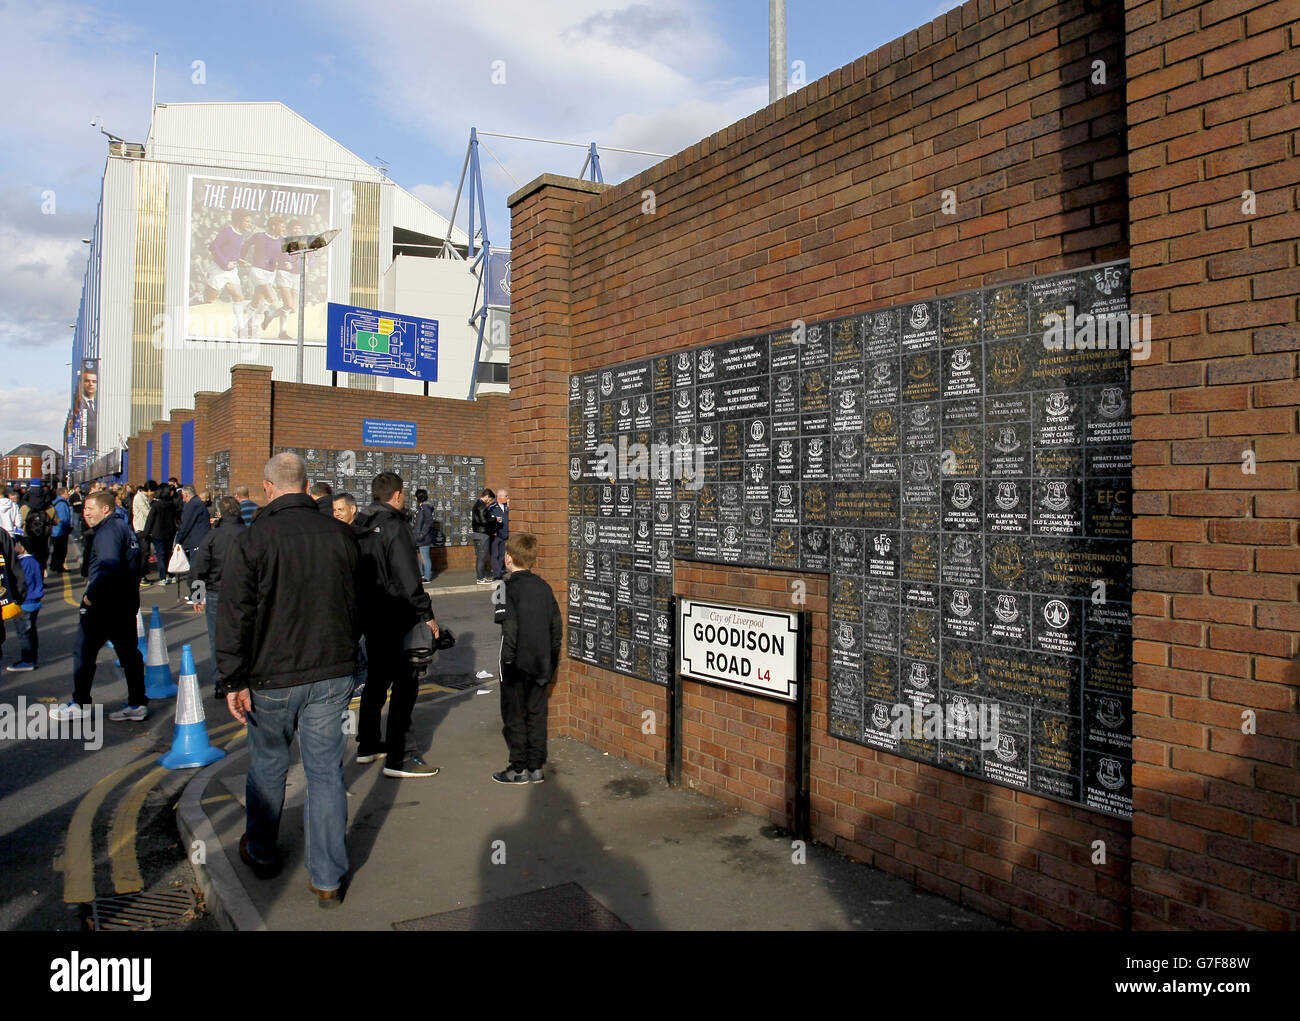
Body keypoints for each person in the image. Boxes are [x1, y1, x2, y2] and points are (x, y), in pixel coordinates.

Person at [217, 452, 360, 907]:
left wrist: (232, 678)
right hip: (332, 670)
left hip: (271, 676)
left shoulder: (253, 538)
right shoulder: (342, 535)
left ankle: (261, 852)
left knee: (268, 767)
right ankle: (328, 878)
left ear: (267, 488)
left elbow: (235, 614)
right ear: (307, 484)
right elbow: (359, 603)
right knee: (324, 774)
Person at [352, 471, 440, 778]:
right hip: (397, 615)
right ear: (398, 495)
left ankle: (368, 744)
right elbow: (408, 578)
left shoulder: (360, 525)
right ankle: (399, 757)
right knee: (406, 684)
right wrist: (427, 614)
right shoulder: (394, 527)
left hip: (370, 616)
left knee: (376, 681)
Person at [50, 490, 148, 723]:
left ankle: (80, 702)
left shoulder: (108, 531)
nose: (85, 514)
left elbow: (109, 566)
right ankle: (137, 703)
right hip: (124, 603)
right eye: (84, 509)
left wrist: (91, 596)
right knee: (129, 655)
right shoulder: (125, 528)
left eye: (89, 509)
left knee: (83, 652)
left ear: (105, 509)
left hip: (105, 606)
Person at [492, 532, 563, 784]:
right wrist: (552, 660)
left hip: (516, 664)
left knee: (514, 715)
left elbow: (509, 628)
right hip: (541, 662)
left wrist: (508, 661)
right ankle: (536, 766)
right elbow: (557, 627)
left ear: (509, 558)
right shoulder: (544, 587)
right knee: (536, 714)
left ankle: (518, 767)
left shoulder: (504, 588)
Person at [191, 496, 244, 699]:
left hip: (216, 592)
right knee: (243, 637)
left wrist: (197, 595)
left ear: (220, 514)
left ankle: (222, 682)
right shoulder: (249, 534)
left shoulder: (213, 536)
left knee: (217, 639)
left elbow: (199, 567)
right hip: (243, 593)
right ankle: (243, 678)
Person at [4, 535, 43, 672]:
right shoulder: (33, 561)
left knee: (24, 633)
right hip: (34, 601)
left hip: (26, 602)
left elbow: (21, 583)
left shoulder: (24, 563)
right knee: (31, 632)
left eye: (14, 545)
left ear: (21, 545)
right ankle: (32, 657)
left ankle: (28, 660)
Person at [175, 485, 212, 604]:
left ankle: (198, 596)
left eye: (183, 497)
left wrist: (178, 540)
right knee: (196, 570)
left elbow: (185, 524)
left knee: (196, 571)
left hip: (196, 541)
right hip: (199, 540)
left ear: (185, 495)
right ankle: (195, 595)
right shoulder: (198, 503)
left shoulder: (192, 505)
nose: (183, 499)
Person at [141, 481, 179, 585]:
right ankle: (171, 575)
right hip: (170, 532)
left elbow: (150, 520)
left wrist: (145, 533)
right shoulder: (172, 504)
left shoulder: (156, 505)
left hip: (158, 533)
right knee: (168, 554)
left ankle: (163, 577)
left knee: (161, 555)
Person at [471, 488, 496, 585]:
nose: (489, 502)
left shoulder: (477, 504)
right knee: (482, 556)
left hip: (478, 533)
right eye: (490, 500)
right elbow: (484, 521)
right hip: (482, 534)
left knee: (481, 556)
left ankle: (482, 576)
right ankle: (480, 578)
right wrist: (494, 519)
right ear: (486, 496)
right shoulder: (481, 506)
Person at [133, 481, 155, 584]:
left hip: (145, 528)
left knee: (146, 552)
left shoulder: (144, 497)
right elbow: (147, 512)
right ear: (149, 490)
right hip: (141, 528)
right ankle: (141, 576)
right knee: (144, 552)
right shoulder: (139, 497)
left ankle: (144, 571)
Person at [412, 488, 435, 583]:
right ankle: (421, 574)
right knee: (414, 555)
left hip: (423, 538)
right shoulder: (420, 508)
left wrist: (422, 533)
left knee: (425, 557)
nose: (414, 498)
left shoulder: (425, 508)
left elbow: (429, 522)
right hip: (417, 537)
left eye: (415, 496)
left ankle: (427, 577)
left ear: (418, 497)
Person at [48, 488, 72, 573]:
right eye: (67, 492)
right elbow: (64, 519)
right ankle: (59, 567)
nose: (68, 494)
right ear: (63, 493)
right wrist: (68, 527)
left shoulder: (54, 502)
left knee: (55, 550)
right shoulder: (62, 504)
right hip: (60, 531)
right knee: (61, 550)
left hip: (53, 530)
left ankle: (53, 566)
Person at [490, 488, 510, 581]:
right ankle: (496, 574)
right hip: (496, 534)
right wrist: (492, 530)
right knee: (495, 554)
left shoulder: (507, 507)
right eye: (506, 496)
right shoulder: (492, 507)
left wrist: (509, 507)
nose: (507, 497)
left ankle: (500, 571)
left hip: (505, 534)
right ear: (500, 497)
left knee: (502, 554)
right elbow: (489, 520)